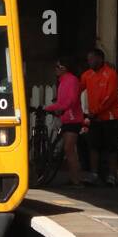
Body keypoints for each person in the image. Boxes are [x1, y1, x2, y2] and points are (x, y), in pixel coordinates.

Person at [80, 48, 118, 186]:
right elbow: (78, 89)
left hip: (110, 118)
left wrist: (97, 111)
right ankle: (94, 174)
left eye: (92, 59)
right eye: (88, 59)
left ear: (100, 59)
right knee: (93, 146)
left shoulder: (110, 74)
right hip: (95, 117)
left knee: (111, 147)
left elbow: (110, 96)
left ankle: (112, 175)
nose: (89, 62)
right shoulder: (87, 75)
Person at [44, 57, 84, 187]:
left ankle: (77, 180)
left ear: (64, 68)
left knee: (69, 149)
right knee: (69, 150)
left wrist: (52, 108)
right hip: (67, 118)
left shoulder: (71, 80)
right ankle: (73, 178)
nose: (55, 69)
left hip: (73, 118)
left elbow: (70, 101)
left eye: (57, 67)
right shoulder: (63, 81)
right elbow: (62, 101)